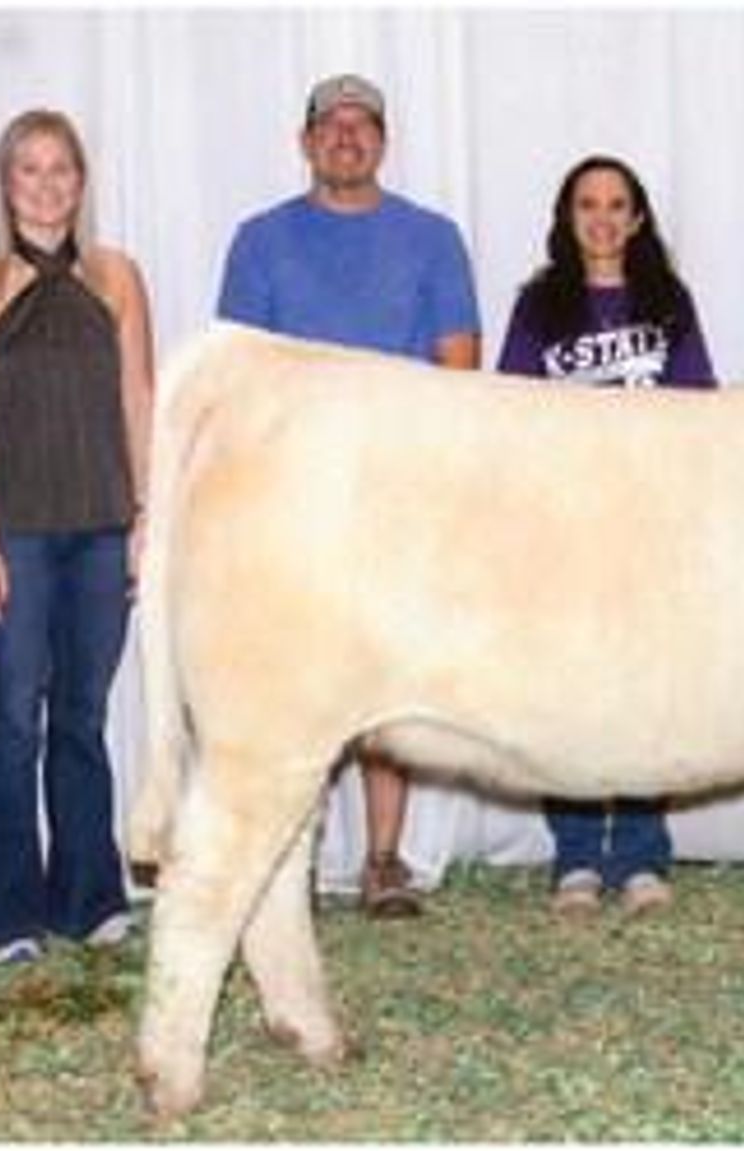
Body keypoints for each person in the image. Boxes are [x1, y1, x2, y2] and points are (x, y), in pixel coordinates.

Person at [217, 72, 481, 918]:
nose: (346, 136)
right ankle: (285, 857)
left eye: (363, 124)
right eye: (331, 124)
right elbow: (239, 373)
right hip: (292, 494)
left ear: (383, 142)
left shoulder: (433, 239)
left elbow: (461, 366)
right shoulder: (259, 242)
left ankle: (382, 857)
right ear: (305, 142)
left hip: (401, 493)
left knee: (388, 680)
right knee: (290, 683)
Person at [0, 109, 153, 964]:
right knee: (10, 720)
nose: (47, 183)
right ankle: (0, 913)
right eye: (29, 169)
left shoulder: (117, 278)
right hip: (15, 534)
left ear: (81, 179)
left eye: (61, 167)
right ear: (4, 182)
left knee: (83, 715)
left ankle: (87, 895)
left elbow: (139, 400)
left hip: (102, 528)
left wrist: (147, 514)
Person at [497, 155, 716, 915]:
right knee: (570, 690)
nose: (601, 217)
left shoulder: (668, 301)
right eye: (586, 204)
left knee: (652, 687)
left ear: (638, 218)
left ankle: (644, 853)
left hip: (655, 526)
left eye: (616, 204)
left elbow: (701, 412)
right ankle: (578, 856)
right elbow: (510, 414)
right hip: (566, 526)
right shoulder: (538, 306)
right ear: (567, 216)